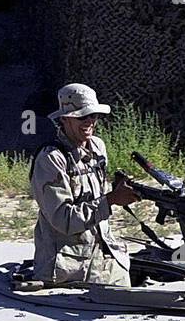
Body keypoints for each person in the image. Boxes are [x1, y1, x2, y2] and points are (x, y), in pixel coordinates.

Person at [29, 83, 140, 287]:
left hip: (105, 257)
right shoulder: (51, 159)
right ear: (64, 119)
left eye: (94, 115)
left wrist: (118, 192)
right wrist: (111, 200)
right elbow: (63, 220)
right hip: (67, 268)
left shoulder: (97, 146)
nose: (90, 121)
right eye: (82, 117)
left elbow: (95, 196)